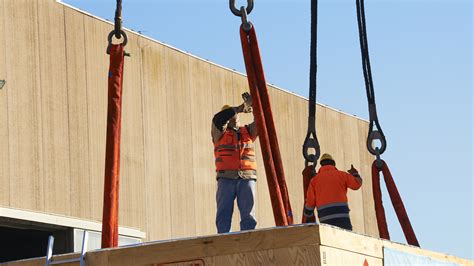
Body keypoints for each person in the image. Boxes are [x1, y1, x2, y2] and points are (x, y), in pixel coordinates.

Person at [211, 92, 258, 233]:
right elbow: (218, 119)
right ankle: (224, 241)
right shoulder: (219, 133)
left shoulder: (248, 131)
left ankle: (248, 239)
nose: (232, 118)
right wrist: (239, 108)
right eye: (229, 115)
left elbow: (262, 120)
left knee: (248, 215)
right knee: (223, 215)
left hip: (247, 177)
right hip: (226, 178)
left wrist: (254, 106)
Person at [303, 153, 362, 230]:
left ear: (321, 165)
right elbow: (357, 184)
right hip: (342, 216)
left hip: (325, 217)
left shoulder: (314, 180)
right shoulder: (342, 175)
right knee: (345, 238)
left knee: (329, 239)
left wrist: (307, 215)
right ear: (333, 163)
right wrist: (355, 173)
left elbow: (310, 202)